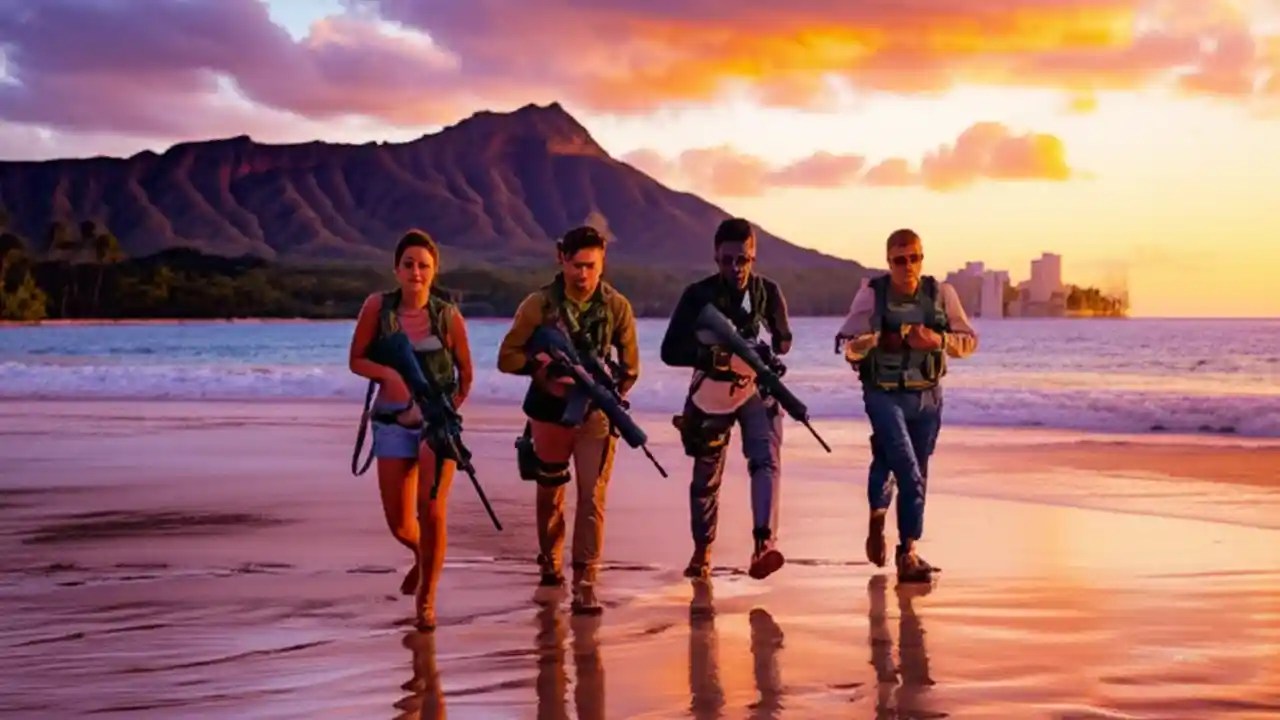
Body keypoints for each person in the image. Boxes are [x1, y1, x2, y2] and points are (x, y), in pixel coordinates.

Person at [496, 226, 640, 615]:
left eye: (591, 266)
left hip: (595, 414)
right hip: (549, 410)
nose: (583, 275)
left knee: (593, 496)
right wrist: (542, 370)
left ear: (603, 261)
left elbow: (631, 367)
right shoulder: (539, 305)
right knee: (551, 491)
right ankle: (550, 561)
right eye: (577, 265)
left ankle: (586, 579)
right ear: (561, 258)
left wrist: (611, 390)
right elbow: (506, 357)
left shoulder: (616, 307)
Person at [348, 229, 474, 630]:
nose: (416, 272)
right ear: (396, 269)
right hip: (390, 421)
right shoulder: (377, 308)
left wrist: (444, 412)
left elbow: (467, 376)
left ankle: (427, 599)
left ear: (434, 271)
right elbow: (356, 360)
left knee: (432, 510)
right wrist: (389, 375)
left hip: (437, 426)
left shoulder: (447, 315)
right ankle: (424, 556)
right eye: (408, 264)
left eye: (424, 265)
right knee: (400, 524)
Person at [836, 228, 977, 583]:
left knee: (900, 464)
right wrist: (876, 341)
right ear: (888, 262)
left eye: (914, 257)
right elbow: (845, 344)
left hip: (928, 396)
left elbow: (968, 342)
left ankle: (882, 519)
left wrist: (937, 339)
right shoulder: (871, 295)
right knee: (908, 471)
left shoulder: (942, 294)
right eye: (900, 260)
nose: (908, 266)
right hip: (883, 394)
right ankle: (908, 554)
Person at [660, 218, 793, 581]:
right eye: (727, 260)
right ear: (716, 257)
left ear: (754, 256)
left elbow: (783, 340)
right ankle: (702, 551)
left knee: (766, 463)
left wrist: (775, 343)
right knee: (707, 475)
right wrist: (714, 356)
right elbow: (669, 350)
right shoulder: (697, 295)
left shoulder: (767, 291)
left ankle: (764, 545)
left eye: (743, 260)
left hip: (754, 388)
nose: (735, 268)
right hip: (712, 390)